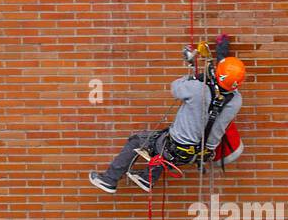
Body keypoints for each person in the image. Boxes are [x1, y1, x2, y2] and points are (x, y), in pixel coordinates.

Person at [88, 54, 245, 194]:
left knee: (138, 140)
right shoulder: (236, 100)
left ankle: (109, 179)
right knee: (163, 144)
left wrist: (194, 77)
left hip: (178, 144)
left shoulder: (197, 88)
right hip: (201, 152)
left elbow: (176, 87)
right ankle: (146, 178)